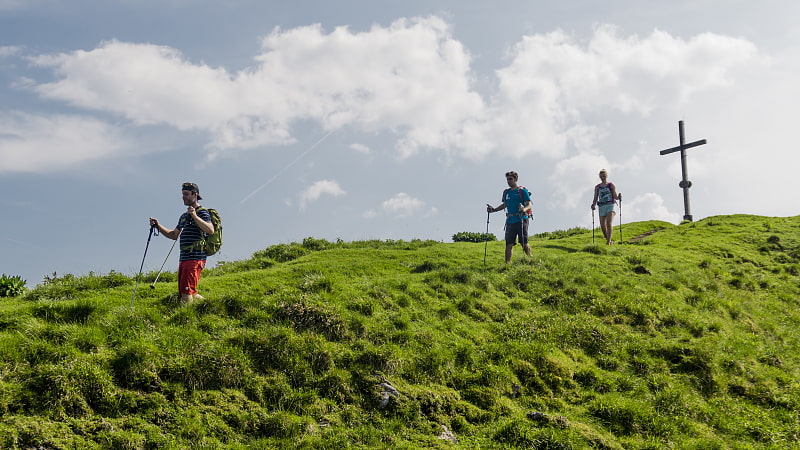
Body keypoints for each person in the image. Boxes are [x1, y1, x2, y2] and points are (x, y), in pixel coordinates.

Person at [149, 182, 215, 302]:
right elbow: (174, 235)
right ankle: (209, 304)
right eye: (182, 194)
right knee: (189, 291)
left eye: (186, 194)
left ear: (195, 195)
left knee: (186, 293)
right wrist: (158, 226)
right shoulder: (183, 216)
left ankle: (186, 319)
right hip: (184, 257)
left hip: (195, 257)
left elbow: (210, 230)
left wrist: (194, 216)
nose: (183, 197)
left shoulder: (202, 212)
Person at [486, 171, 533, 263]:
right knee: (508, 244)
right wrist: (493, 210)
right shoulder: (506, 192)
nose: (508, 181)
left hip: (522, 219)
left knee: (523, 242)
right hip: (510, 220)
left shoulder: (522, 191)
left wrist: (524, 209)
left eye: (510, 179)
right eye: (507, 179)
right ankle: (507, 264)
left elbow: (529, 204)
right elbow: (505, 204)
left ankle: (531, 259)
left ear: (516, 179)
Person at [591, 169, 621, 245]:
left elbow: (615, 196)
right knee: (602, 226)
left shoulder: (611, 185)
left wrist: (618, 197)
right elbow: (595, 197)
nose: (602, 177)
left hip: (610, 205)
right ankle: (608, 238)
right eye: (601, 176)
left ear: (606, 176)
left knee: (608, 222)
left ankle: (608, 241)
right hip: (601, 206)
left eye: (604, 176)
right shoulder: (597, 187)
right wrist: (593, 205)